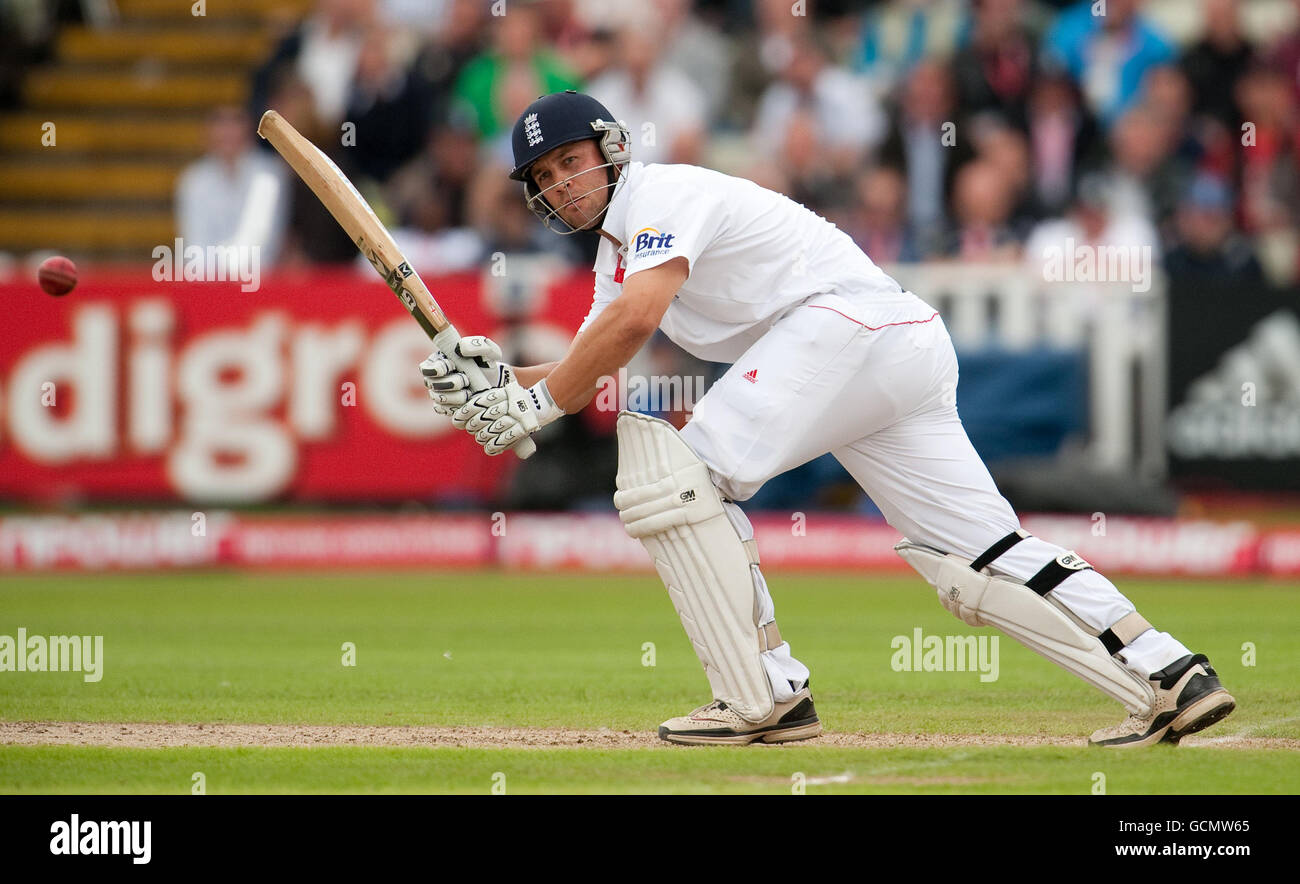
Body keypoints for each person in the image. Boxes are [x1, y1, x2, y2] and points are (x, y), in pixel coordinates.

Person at [418, 90, 1236, 748]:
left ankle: (764, 696)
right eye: (545, 177)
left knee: (681, 481)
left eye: (571, 161)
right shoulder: (618, 250)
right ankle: (1170, 676)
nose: (562, 183)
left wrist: (535, 402)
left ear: (611, 148)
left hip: (848, 328)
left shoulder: (662, 193)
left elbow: (631, 325)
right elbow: (600, 351)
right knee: (979, 557)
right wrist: (499, 376)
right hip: (889, 346)